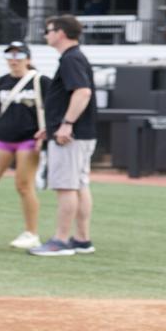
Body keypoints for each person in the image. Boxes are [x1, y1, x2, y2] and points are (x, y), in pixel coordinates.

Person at [28, 16, 98, 256]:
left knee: (66, 187)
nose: (46, 34)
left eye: (48, 30)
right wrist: (53, 126)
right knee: (79, 185)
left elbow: (82, 92)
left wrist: (66, 124)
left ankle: (60, 240)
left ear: (61, 33)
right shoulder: (74, 57)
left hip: (71, 136)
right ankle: (81, 239)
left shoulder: (71, 58)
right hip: (77, 133)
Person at [0, 41, 48, 249]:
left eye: (19, 55)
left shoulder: (41, 81)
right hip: (2, 138)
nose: (14, 60)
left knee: (24, 185)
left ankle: (31, 233)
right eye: (10, 55)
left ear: (28, 58)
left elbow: (52, 109)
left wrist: (45, 135)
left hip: (29, 139)